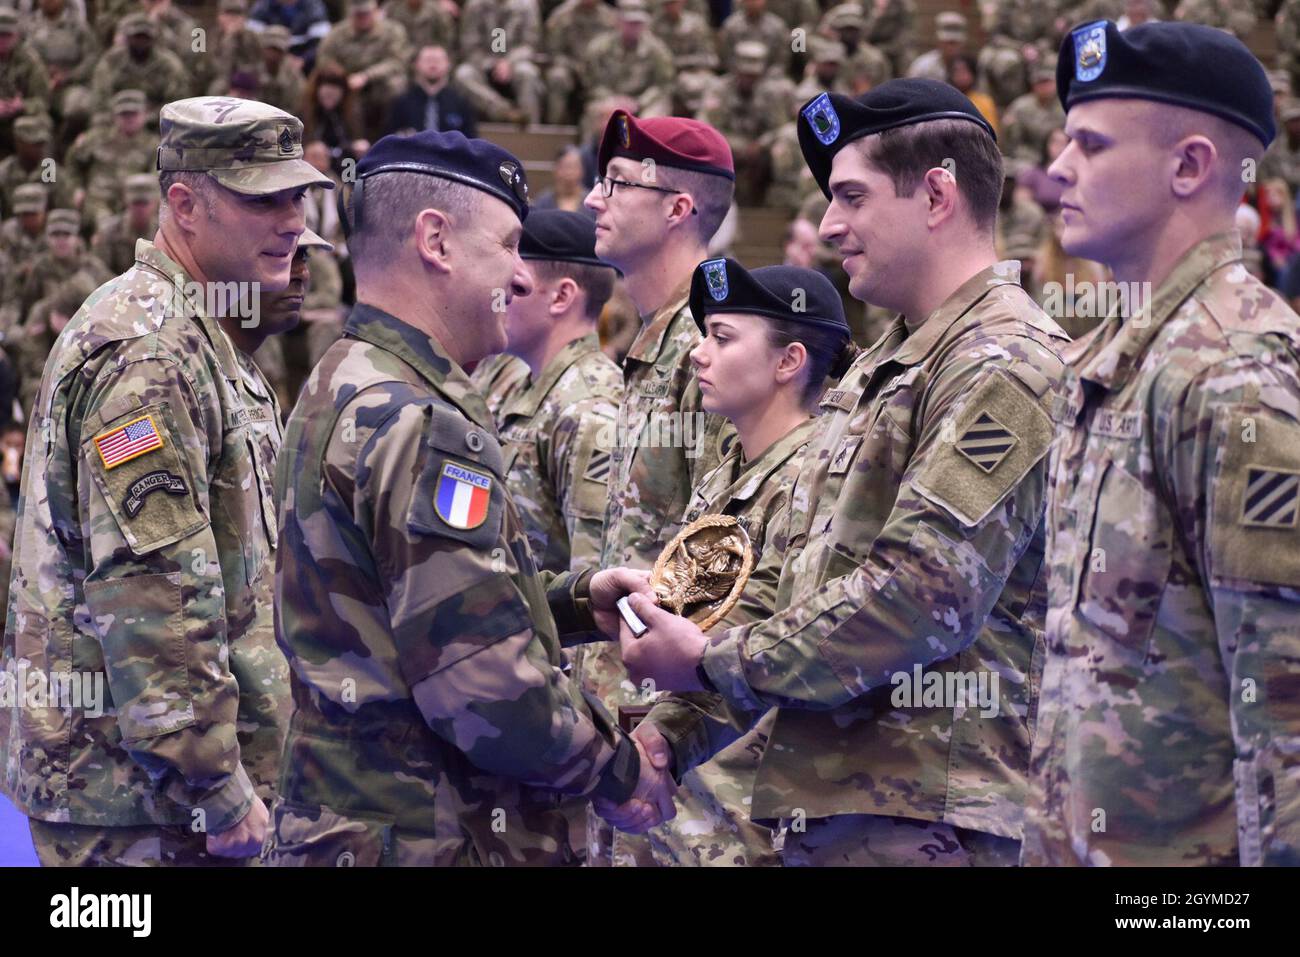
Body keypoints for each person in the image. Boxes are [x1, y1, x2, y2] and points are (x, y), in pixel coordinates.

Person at [613, 79, 1071, 867]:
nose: (829, 225)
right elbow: (788, 583)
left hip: (930, 820)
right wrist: (668, 737)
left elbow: (921, 595)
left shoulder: (1004, 361)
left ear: (937, 196)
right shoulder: (880, 369)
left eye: (852, 197)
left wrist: (710, 661)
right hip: (837, 809)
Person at [264, 129, 674, 867]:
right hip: (429, 832)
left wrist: (571, 604)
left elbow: (402, 606)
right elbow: (482, 683)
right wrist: (620, 772)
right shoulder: (424, 422)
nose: (520, 277)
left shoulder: (344, 376)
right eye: (508, 246)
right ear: (436, 241)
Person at [0, 97, 333, 867]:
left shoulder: (202, 335)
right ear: (184, 204)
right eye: (262, 199)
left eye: (296, 197)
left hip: (167, 795)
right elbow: (153, 596)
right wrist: (214, 784)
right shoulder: (150, 352)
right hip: (139, 804)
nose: (291, 221)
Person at [1020, 20, 1300, 867]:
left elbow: (1284, 713)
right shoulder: (1117, 361)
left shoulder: (1235, 374)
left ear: (1188, 167)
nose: (1059, 168)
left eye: (1092, 144)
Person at [622, 257, 853, 867]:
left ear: (788, 361)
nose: (698, 353)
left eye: (723, 338)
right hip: (696, 796)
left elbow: (767, 634)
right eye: (704, 334)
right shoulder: (727, 471)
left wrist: (665, 736)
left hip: (751, 811)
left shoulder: (818, 484)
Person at [580, 109, 736, 865]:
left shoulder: (710, 345)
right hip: (641, 714)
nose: (592, 198)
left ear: (678, 208)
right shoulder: (656, 341)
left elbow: (730, 555)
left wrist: (672, 728)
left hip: (688, 739)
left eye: (616, 183)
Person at [498, 209, 620, 576]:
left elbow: (593, 584)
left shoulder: (590, 412)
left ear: (561, 296)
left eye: (516, 284)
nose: (499, 295)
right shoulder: (521, 385)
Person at [386, 44, 477, 138]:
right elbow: (387, 138)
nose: (433, 64)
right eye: (428, 60)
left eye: (438, 60)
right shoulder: (401, 102)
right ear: (416, 64)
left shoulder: (461, 102)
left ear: (448, 64)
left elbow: (471, 140)